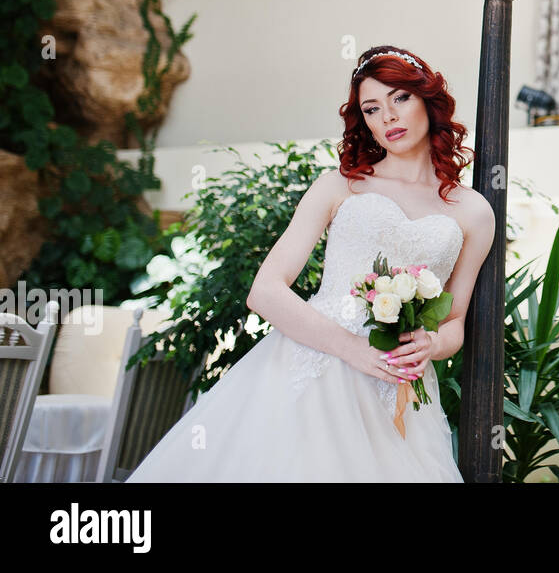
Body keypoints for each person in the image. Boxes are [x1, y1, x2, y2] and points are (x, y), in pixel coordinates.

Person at [126, 46, 495, 482]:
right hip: (315, 366)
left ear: (427, 100)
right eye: (372, 109)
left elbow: (454, 323)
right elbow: (264, 290)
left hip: (398, 386)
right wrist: (352, 348)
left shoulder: (472, 211)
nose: (388, 117)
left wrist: (430, 345)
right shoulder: (341, 185)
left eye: (400, 98)